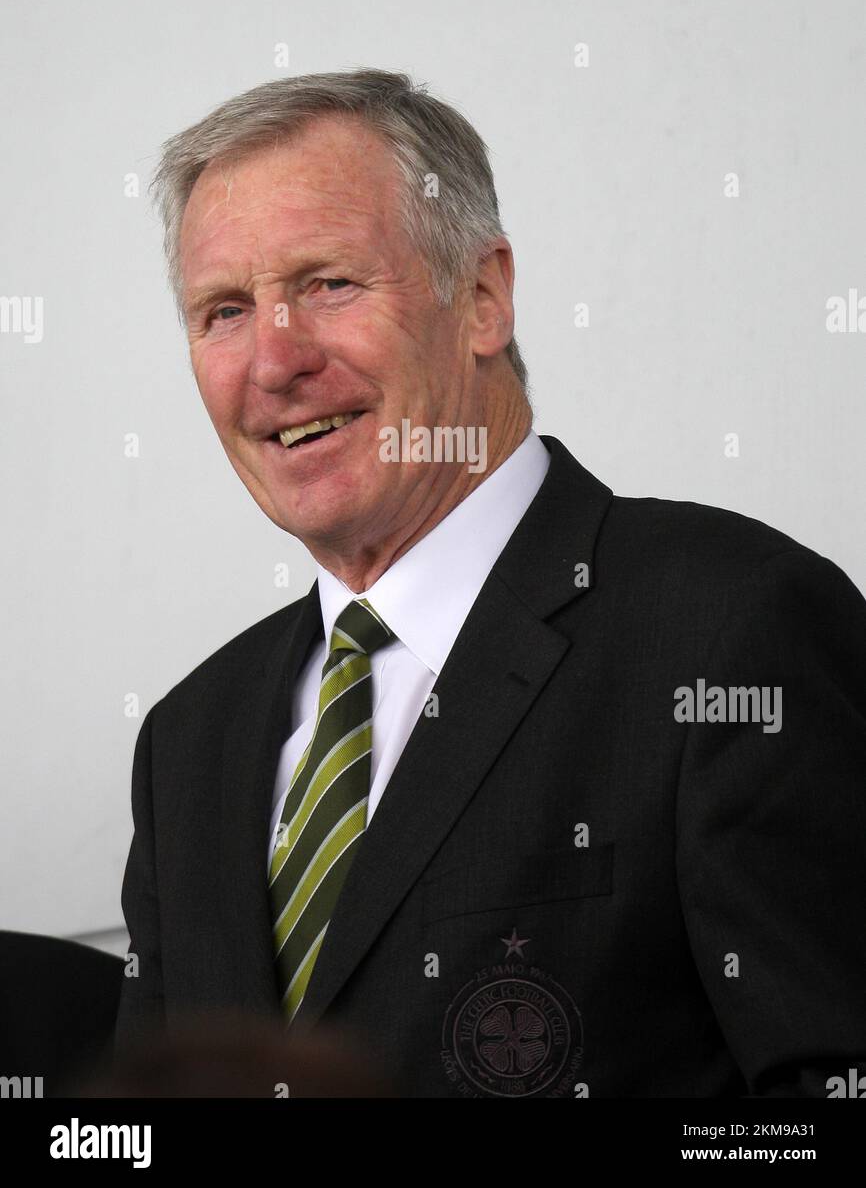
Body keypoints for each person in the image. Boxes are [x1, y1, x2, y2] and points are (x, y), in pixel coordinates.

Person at [116, 69, 866, 1098]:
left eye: (328, 282)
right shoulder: (186, 741)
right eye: (224, 310)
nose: (274, 359)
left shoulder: (730, 626)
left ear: (481, 296)